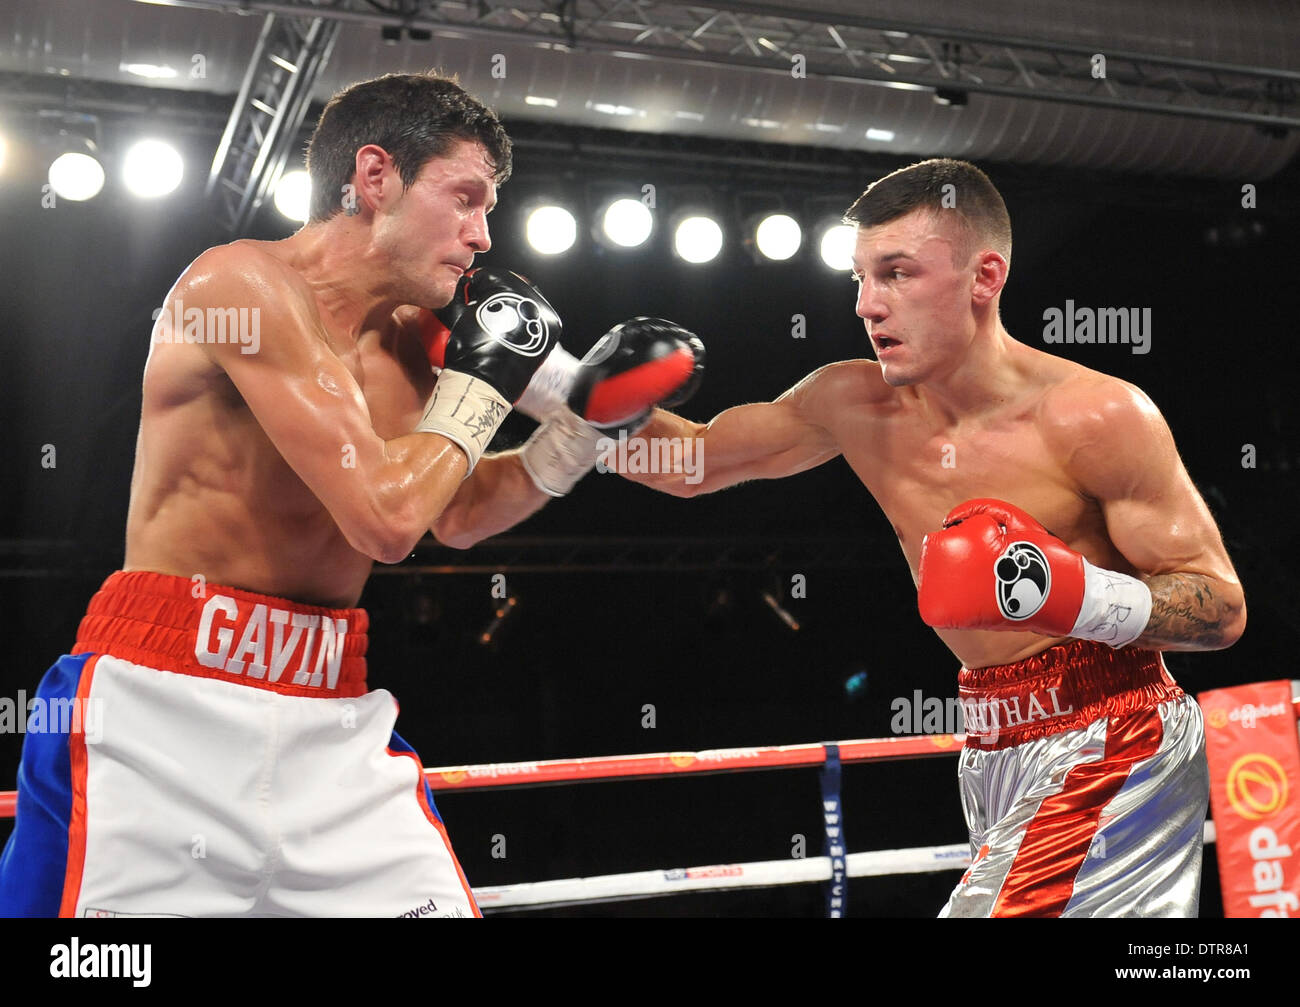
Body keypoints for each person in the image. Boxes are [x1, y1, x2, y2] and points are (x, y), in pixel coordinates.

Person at [0, 71, 701, 918]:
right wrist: (485, 387)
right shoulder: (239, 288)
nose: (483, 236)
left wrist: (578, 434)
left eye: (491, 209)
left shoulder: (412, 338)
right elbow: (386, 517)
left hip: (331, 716)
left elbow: (461, 510)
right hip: (162, 709)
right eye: (466, 198)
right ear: (376, 178)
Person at [592, 158, 1245, 917]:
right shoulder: (849, 400)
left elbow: (1221, 608)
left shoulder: (1095, 416)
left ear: (984, 276)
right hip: (990, 746)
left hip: (1116, 732)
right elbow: (691, 463)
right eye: (859, 279)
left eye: (897, 274)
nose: (869, 305)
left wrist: (1072, 594)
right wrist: (552, 385)